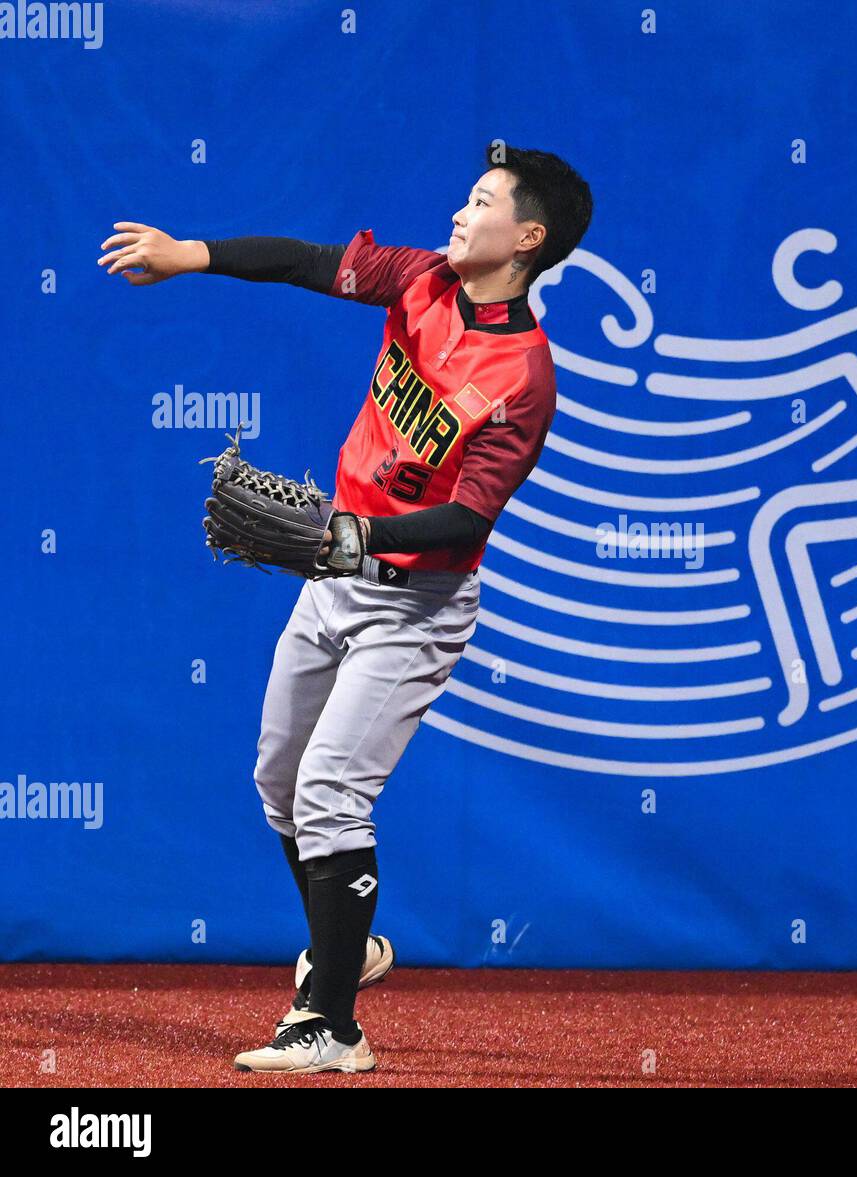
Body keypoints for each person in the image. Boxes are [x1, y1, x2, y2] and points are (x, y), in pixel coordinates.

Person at [98, 144, 593, 1075]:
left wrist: (362, 539)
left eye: (482, 201)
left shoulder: (524, 375)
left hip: (416, 604)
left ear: (529, 236)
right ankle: (348, 952)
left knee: (332, 789)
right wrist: (188, 253)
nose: (459, 211)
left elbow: (470, 515)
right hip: (336, 575)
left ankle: (332, 1025)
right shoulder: (423, 280)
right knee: (277, 780)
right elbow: (305, 261)